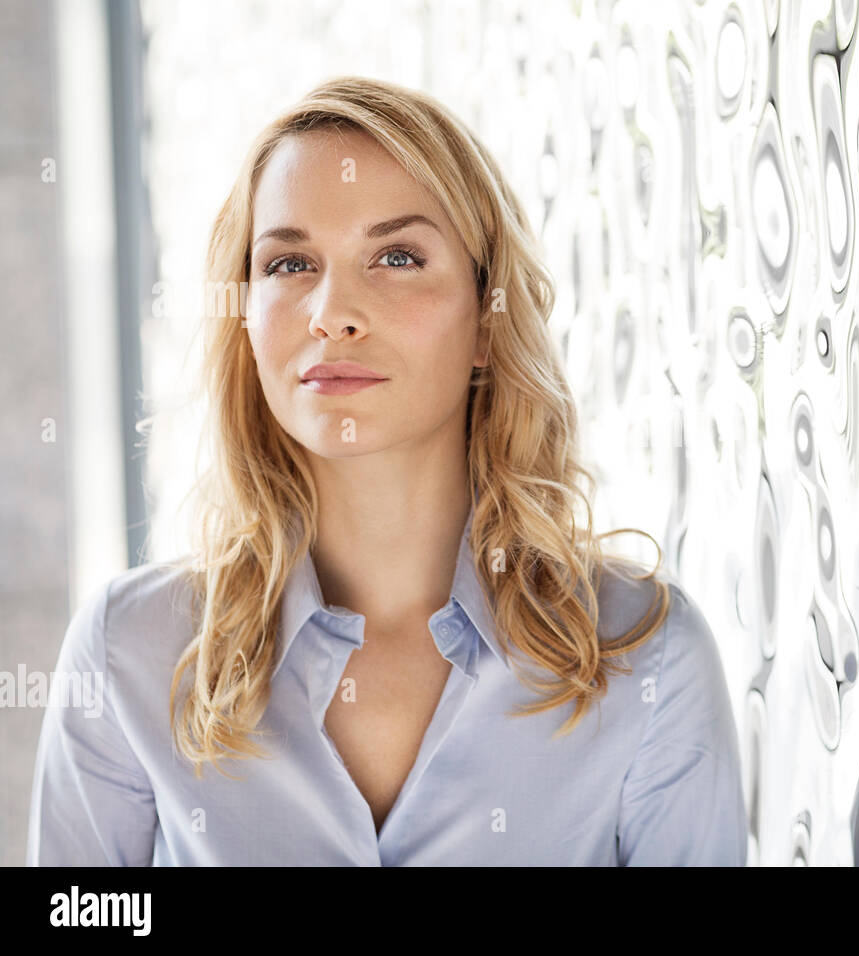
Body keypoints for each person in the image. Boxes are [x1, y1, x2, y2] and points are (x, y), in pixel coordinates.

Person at [27, 75, 746, 866]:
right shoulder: (129, 651)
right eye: (289, 263)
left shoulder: (647, 655)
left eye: (397, 256)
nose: (333, 311)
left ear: (485, 320)